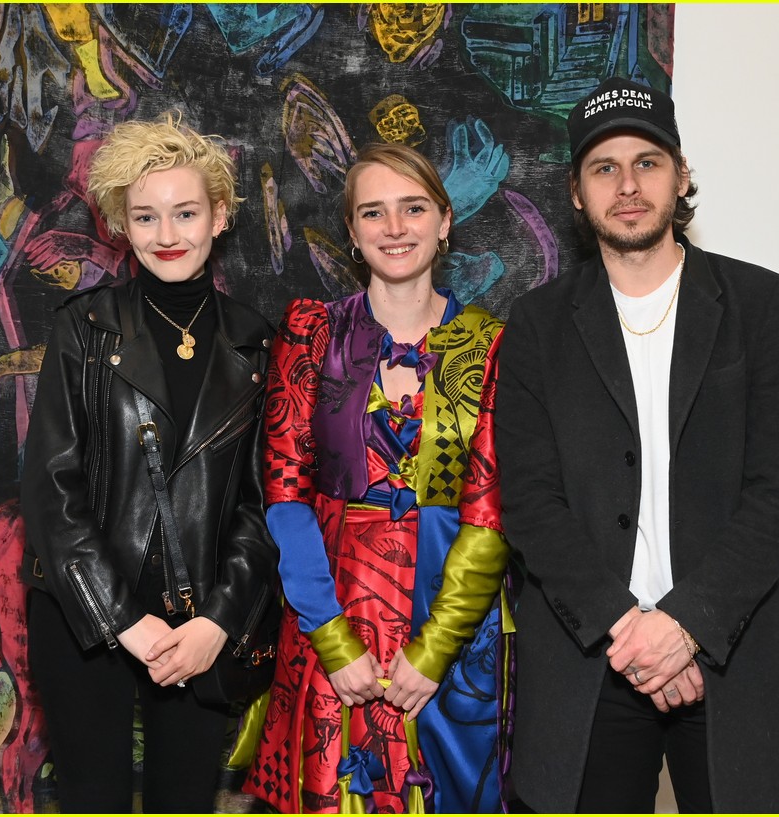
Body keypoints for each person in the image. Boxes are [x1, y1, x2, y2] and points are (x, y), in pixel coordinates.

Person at [495, 77, 779, 813]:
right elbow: (531, 504)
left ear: (680, 175)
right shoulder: (538, 325)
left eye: (647, 162)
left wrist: (683, 626)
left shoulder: (764, 306)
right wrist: (633, 629)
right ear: (577, 194)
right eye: (603, 168)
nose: (628, 184)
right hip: (589, 659)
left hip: (729, 652)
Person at [240, 143, 511, 813]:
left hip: (451, 627)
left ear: (445, 222)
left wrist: (435, 648)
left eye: (413, 208)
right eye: (373, 212)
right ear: (354, 233)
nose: (395, 227)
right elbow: (285, 498)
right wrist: (332, 638)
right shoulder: (311, 334)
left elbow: (491, 510)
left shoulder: (494, 343)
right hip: (333, 622)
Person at [20, 113, 278, 812]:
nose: (168, 235)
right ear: (120, 225)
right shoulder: (85, 327)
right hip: (86, 618)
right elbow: (51, 489)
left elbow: (265, 504)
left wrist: (216, 621)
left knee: (186, 800)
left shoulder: (257, 344)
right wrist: (124, 620)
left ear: (219, 216)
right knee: (92, 796)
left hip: (201, 622)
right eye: (146, 215)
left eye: (186, 212)